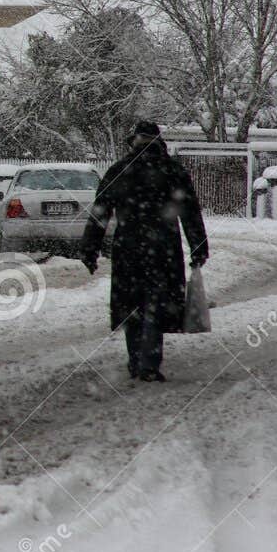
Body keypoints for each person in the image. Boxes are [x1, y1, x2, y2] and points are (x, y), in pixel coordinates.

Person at [80, 120, 208, 382]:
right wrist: (198, 247)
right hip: (163, 249)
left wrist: (90, 249)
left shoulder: (120, 170)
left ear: (133, 142)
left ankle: (135, 359)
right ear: (160, 143)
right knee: (156, 304)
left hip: (128, 248)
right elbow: (190, 212)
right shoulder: (172, 170)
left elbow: (100, 212)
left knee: (131, 304)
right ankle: (149, 362)